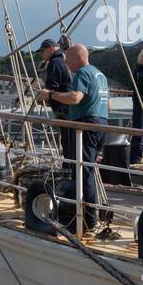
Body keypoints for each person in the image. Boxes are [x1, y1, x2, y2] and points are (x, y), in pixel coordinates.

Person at [41, 43, 109, 230]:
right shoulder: (100, 75)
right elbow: (108, 105)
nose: (67, 65)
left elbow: (76, 98)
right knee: (89, 169)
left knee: (83, 171)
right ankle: (92, 212)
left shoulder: (83, 73)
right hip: (102, 123)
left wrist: (52, 94)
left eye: (69, 61)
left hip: (86, 126)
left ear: (78, 58)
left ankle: (88, 220)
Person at [38, 37, 74, 163]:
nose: (41, 54)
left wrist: (44, 95)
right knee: (71, 141)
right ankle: (72, 169)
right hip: (71, 107)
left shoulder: (55, 63)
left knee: (67, 141)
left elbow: (52, 87)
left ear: (51, 49)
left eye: (43, 51)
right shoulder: (65, 60)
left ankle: (69, 169)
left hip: (63, 109)